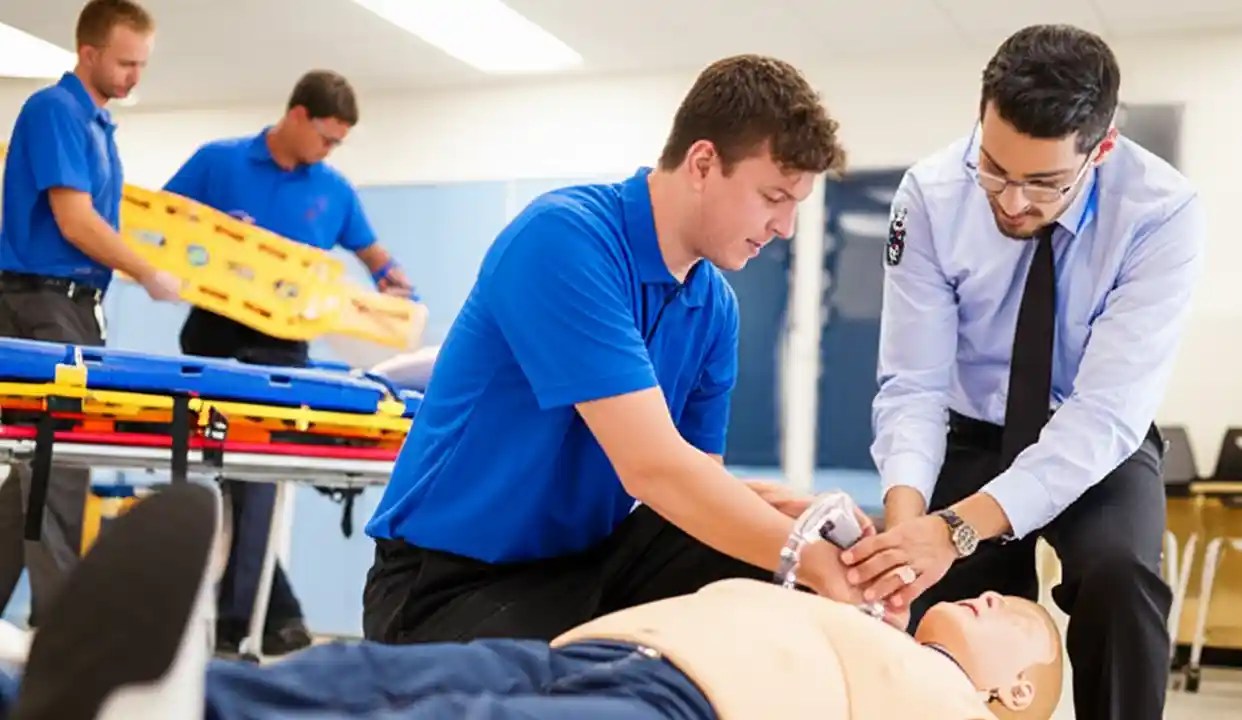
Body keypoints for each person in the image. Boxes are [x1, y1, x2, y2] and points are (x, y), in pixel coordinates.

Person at [361, 54, 855, 645]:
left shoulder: (715, 308)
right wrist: (807, 557)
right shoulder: (563, 239)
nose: (786, 227)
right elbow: (652, 469)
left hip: (582, 569)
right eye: (774, 196)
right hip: (447, 586)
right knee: (793, 560)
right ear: (703, 163)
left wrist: (816, 524)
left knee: (773, 555)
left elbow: (698, 487)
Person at [5, 482, 1064, 720]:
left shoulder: (954, 707)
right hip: (597, 650)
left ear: (1015, 691)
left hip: (679, 711)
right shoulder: (875, 624)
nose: (976, 603)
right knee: (368, 674)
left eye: (999, 617)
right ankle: (129, 695)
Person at [844, 24, 1205, 720]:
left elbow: (1104, 414)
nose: (1011, 202)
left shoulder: (1163, 213)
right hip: (972, 431)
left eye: (1043, 183)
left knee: (1119, 578)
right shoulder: (929, 195)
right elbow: (913, 385)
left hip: (1095, 439)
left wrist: (955, 530)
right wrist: (909, 536)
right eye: (995, 169)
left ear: (1099, 151)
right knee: (933, 612)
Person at [159, 69, 415, 656]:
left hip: (284, 350)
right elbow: (159, 225)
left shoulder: (334, 189)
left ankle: (244, 624)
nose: (330, 151)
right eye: (326, 137)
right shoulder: (216, 163)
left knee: (259, 489)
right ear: (297, 116)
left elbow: (376, 258)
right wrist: (216, 241)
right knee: (219, 488)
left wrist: (392, 284)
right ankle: (264, 617)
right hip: (214, 339)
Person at [0, 0, 181, 626]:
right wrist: (147, 271)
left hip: (75, 306)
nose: (136, 76)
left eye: (143, 64)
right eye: (127, 62)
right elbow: (75, 222)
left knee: (32, 475)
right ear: (89, 53)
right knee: (59, 465)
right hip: (40, 302)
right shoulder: (56, 110)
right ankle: (64, 634)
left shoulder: (100, 126)